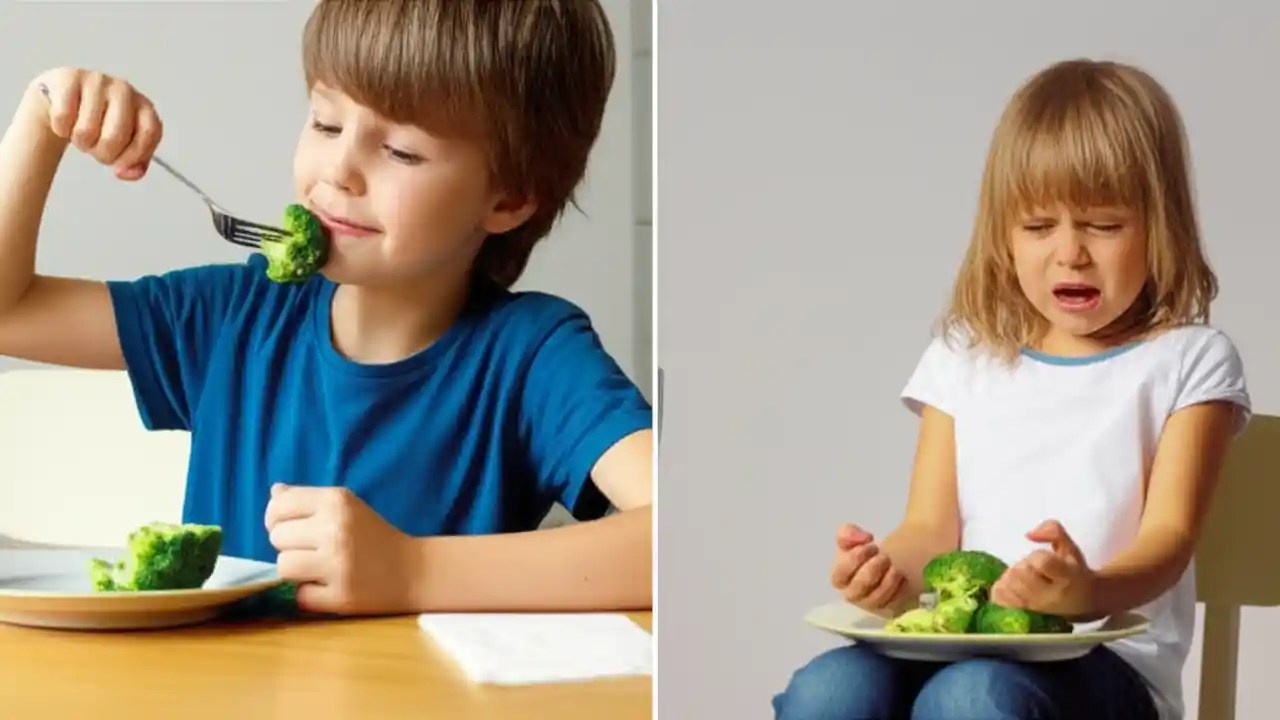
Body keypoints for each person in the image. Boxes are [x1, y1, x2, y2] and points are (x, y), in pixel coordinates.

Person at [0, 0, 652, 616]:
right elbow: (10, 312)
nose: (338, 171)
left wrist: (412, 571)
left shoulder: (532, 356)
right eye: (325, 122)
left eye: (401, 150)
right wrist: (44, 112)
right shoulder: (233, 316)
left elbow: (680, 537)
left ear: (508, 199)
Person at [773, 58, 1251, 720]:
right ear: (1003, 235)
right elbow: (929, 528)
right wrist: (886, 574)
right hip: (957, 648)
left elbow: (1167, 543)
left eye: (1104, 225)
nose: (1070, 253)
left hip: (1107, 668)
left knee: (970, 697)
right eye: (1037, 226)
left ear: (1160, 223)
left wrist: (1087, 590)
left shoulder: (1189, 361)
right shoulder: (961, 357)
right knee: (828, 692)